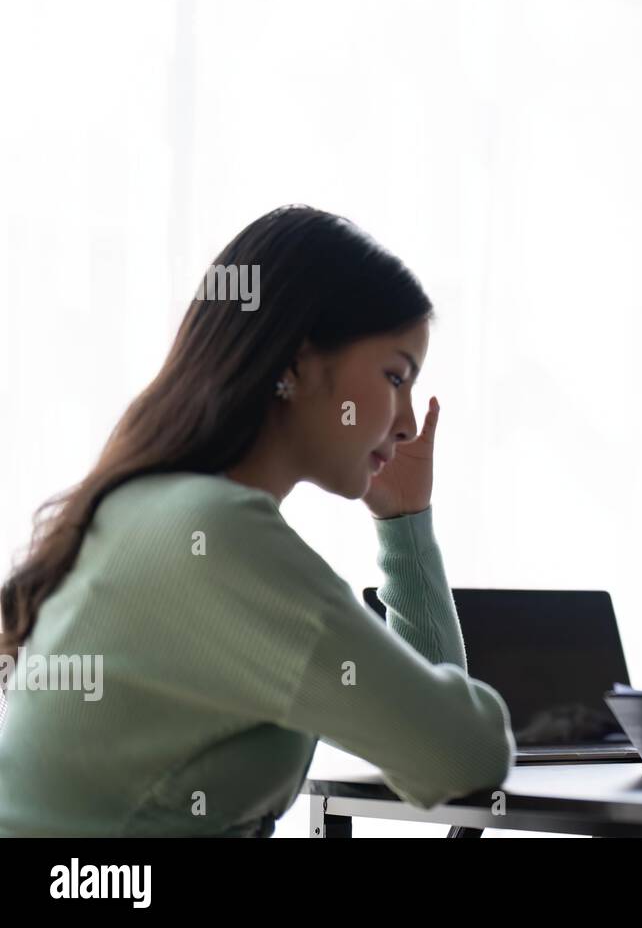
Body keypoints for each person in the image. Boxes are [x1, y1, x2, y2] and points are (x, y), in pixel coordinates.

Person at [0, 205, 514, 835]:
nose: (407, 422)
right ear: (297, 360)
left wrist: (405, 526)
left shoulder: (148, 508)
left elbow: (428, 741)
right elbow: (464, 754)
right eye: (394, 375)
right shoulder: (216, 538)